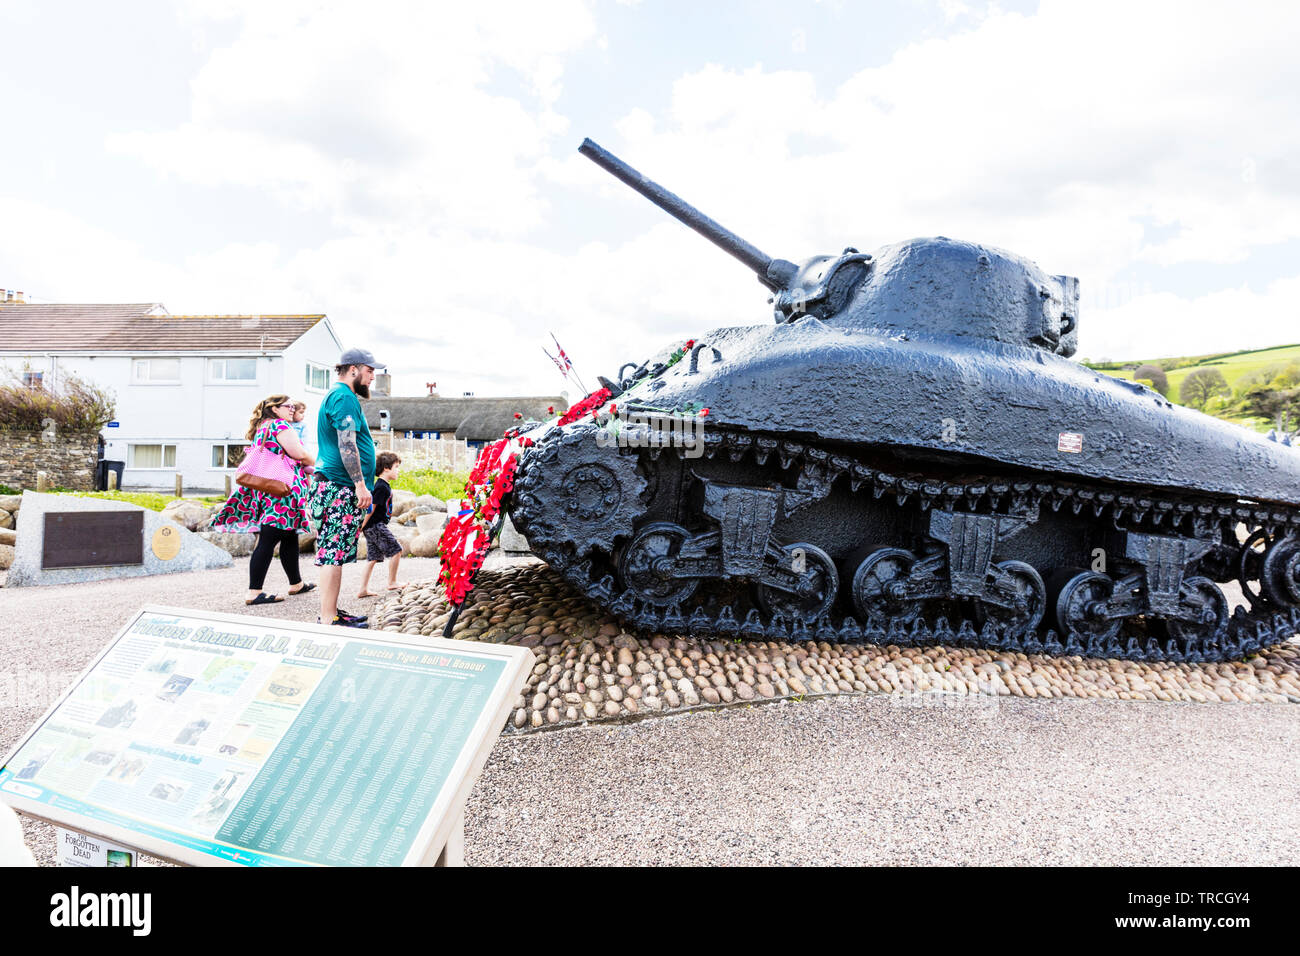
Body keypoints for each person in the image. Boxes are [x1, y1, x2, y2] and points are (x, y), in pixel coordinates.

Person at [211, 395, 316, 605]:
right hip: (282, 492)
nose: (292, 410)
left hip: (270, 489)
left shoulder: (264, 426)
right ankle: (254, 591)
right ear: (275, 409)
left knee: (288, 536)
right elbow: (299, 454)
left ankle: (296, 583)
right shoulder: (280, 426)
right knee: (268, 539)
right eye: (288, 406)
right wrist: (319, 464)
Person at [310, 348, 382, 628]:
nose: (373, 376)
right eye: (370, 370)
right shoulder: (343, 397)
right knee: (333, 551)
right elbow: (347, 443)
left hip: (336, 485)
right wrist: (360, 485)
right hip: (340, 486)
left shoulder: (340, 396)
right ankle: (328, 618)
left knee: (335, 550)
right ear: (353, 369)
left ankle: (332, 611)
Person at [357, 452, 404, 597]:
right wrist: (361, 526)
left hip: (372, 526)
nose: (398, 470)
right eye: (396, 467)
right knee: (396, 550)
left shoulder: (383, 485)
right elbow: (371, 508)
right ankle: (392, 582)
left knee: (373, 558)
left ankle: (363, 589)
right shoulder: (381, 487)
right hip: (375, 525)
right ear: (386, 468)